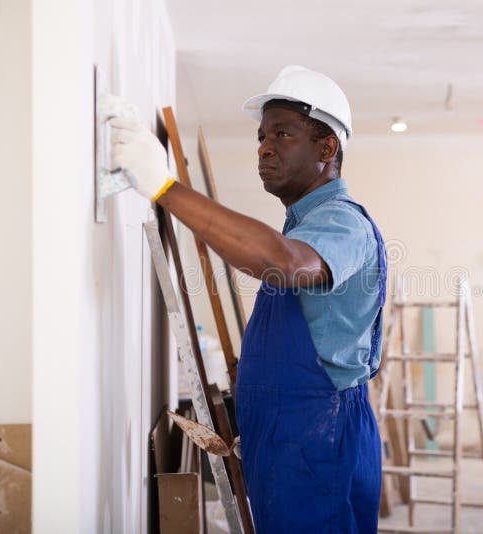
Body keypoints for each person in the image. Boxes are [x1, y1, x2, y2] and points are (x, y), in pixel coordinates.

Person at [111, 65, 386, 533]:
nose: (264, 147)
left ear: (327, 148)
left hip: (320, 441)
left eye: (282, 134)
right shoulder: (304, 222)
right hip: (292, 437)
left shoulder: (341, 223)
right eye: (261, 135)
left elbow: (280, 260)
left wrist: (164, 187)